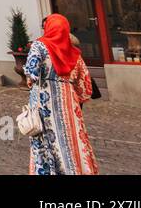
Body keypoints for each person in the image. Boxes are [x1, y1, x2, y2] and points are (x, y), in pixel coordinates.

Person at [24, 13, 99, 175]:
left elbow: (32, 74)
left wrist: (33, 83)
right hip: (69, 104)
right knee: (71, 140)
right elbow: (85, 87)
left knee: (44, 139)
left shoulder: (39, 46)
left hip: (44, 102)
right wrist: (75, 96)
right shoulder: (75, 54)